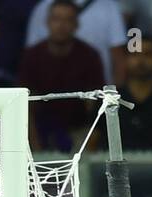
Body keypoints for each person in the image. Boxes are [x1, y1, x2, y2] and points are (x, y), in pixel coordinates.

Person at [19, 0, 106, 152]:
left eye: (68, 20)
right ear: (48, 22)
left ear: (76, 25)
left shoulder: (89, 56)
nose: (61, 25)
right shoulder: (32, 56)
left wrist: (86, 148)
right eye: (56, 19)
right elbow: (25, 105)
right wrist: (35, 148)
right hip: (41, 131)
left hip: (80, 132)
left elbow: (96, 106)